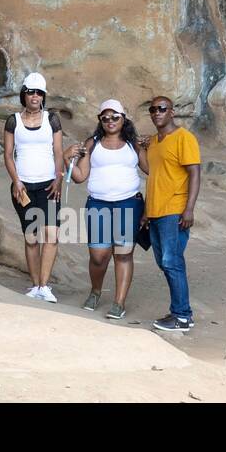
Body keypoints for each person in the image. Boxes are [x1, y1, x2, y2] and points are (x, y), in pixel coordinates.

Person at [67, 99, 145, 321]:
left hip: (128, 203)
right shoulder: (92, 144)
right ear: (100, 121)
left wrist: (155, 146)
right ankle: (95, 291)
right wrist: (66, 159)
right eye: (105, 118)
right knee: (99, 256)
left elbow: (150, 168)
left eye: (115, 117)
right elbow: (80, 177)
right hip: (98, 203)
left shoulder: (134, 144)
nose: (110, 121)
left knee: (123, 253)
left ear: (123, 118)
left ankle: (119, 302)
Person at [139, 95, 202, 332]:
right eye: (153, 109)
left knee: (172, 261)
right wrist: (146, 211)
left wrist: (189, 208)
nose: (157, 112)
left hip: (174, 211)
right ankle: (178, 311)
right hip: (155, 211)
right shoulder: (154, 142)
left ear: (172, 112)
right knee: (164, 262)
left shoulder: (184, 138)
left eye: (162, 109)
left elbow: (194, 173)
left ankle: (183, 316)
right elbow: (151, 172)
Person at [3, 72, 64, 302]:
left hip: (49, 185)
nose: (35, 96)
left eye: (39, 93)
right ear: (24, 95)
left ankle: (44, 286)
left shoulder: (52, 119)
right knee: (31, 236)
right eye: (31, 92)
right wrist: (16, 181)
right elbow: (8, 155)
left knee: (52, 235)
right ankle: (35, 284)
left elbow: (58, 152)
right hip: (24, 186)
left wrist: (58, 178)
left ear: (43, 96)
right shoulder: (13, 121)